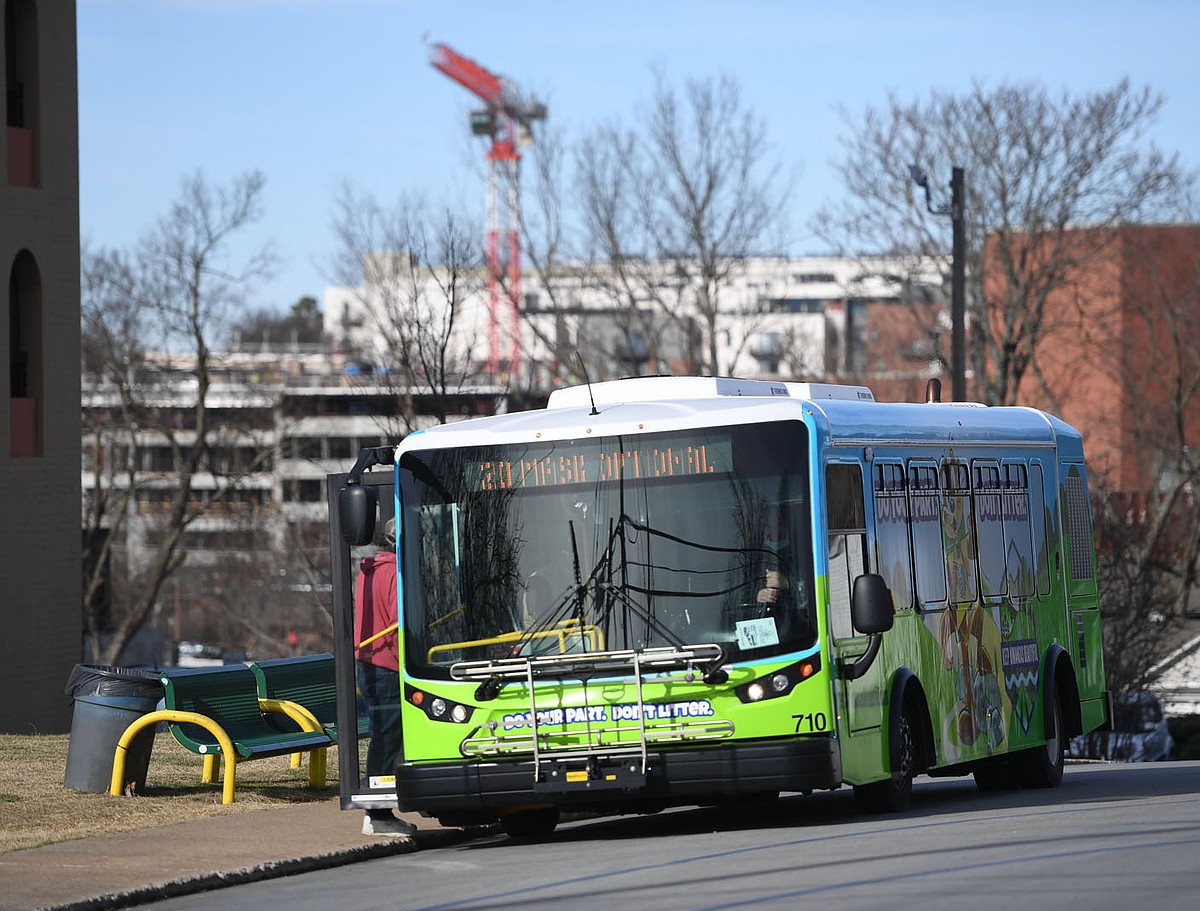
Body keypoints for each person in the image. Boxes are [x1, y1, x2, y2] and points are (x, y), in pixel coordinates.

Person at [354, 517, 417, 839]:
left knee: (385, 736)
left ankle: (381, 809)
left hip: (371, 663)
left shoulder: (370, 570)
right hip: (388, 665)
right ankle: (377, 812)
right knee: (388, 739)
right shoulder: (394, 572)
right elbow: (400, 622)